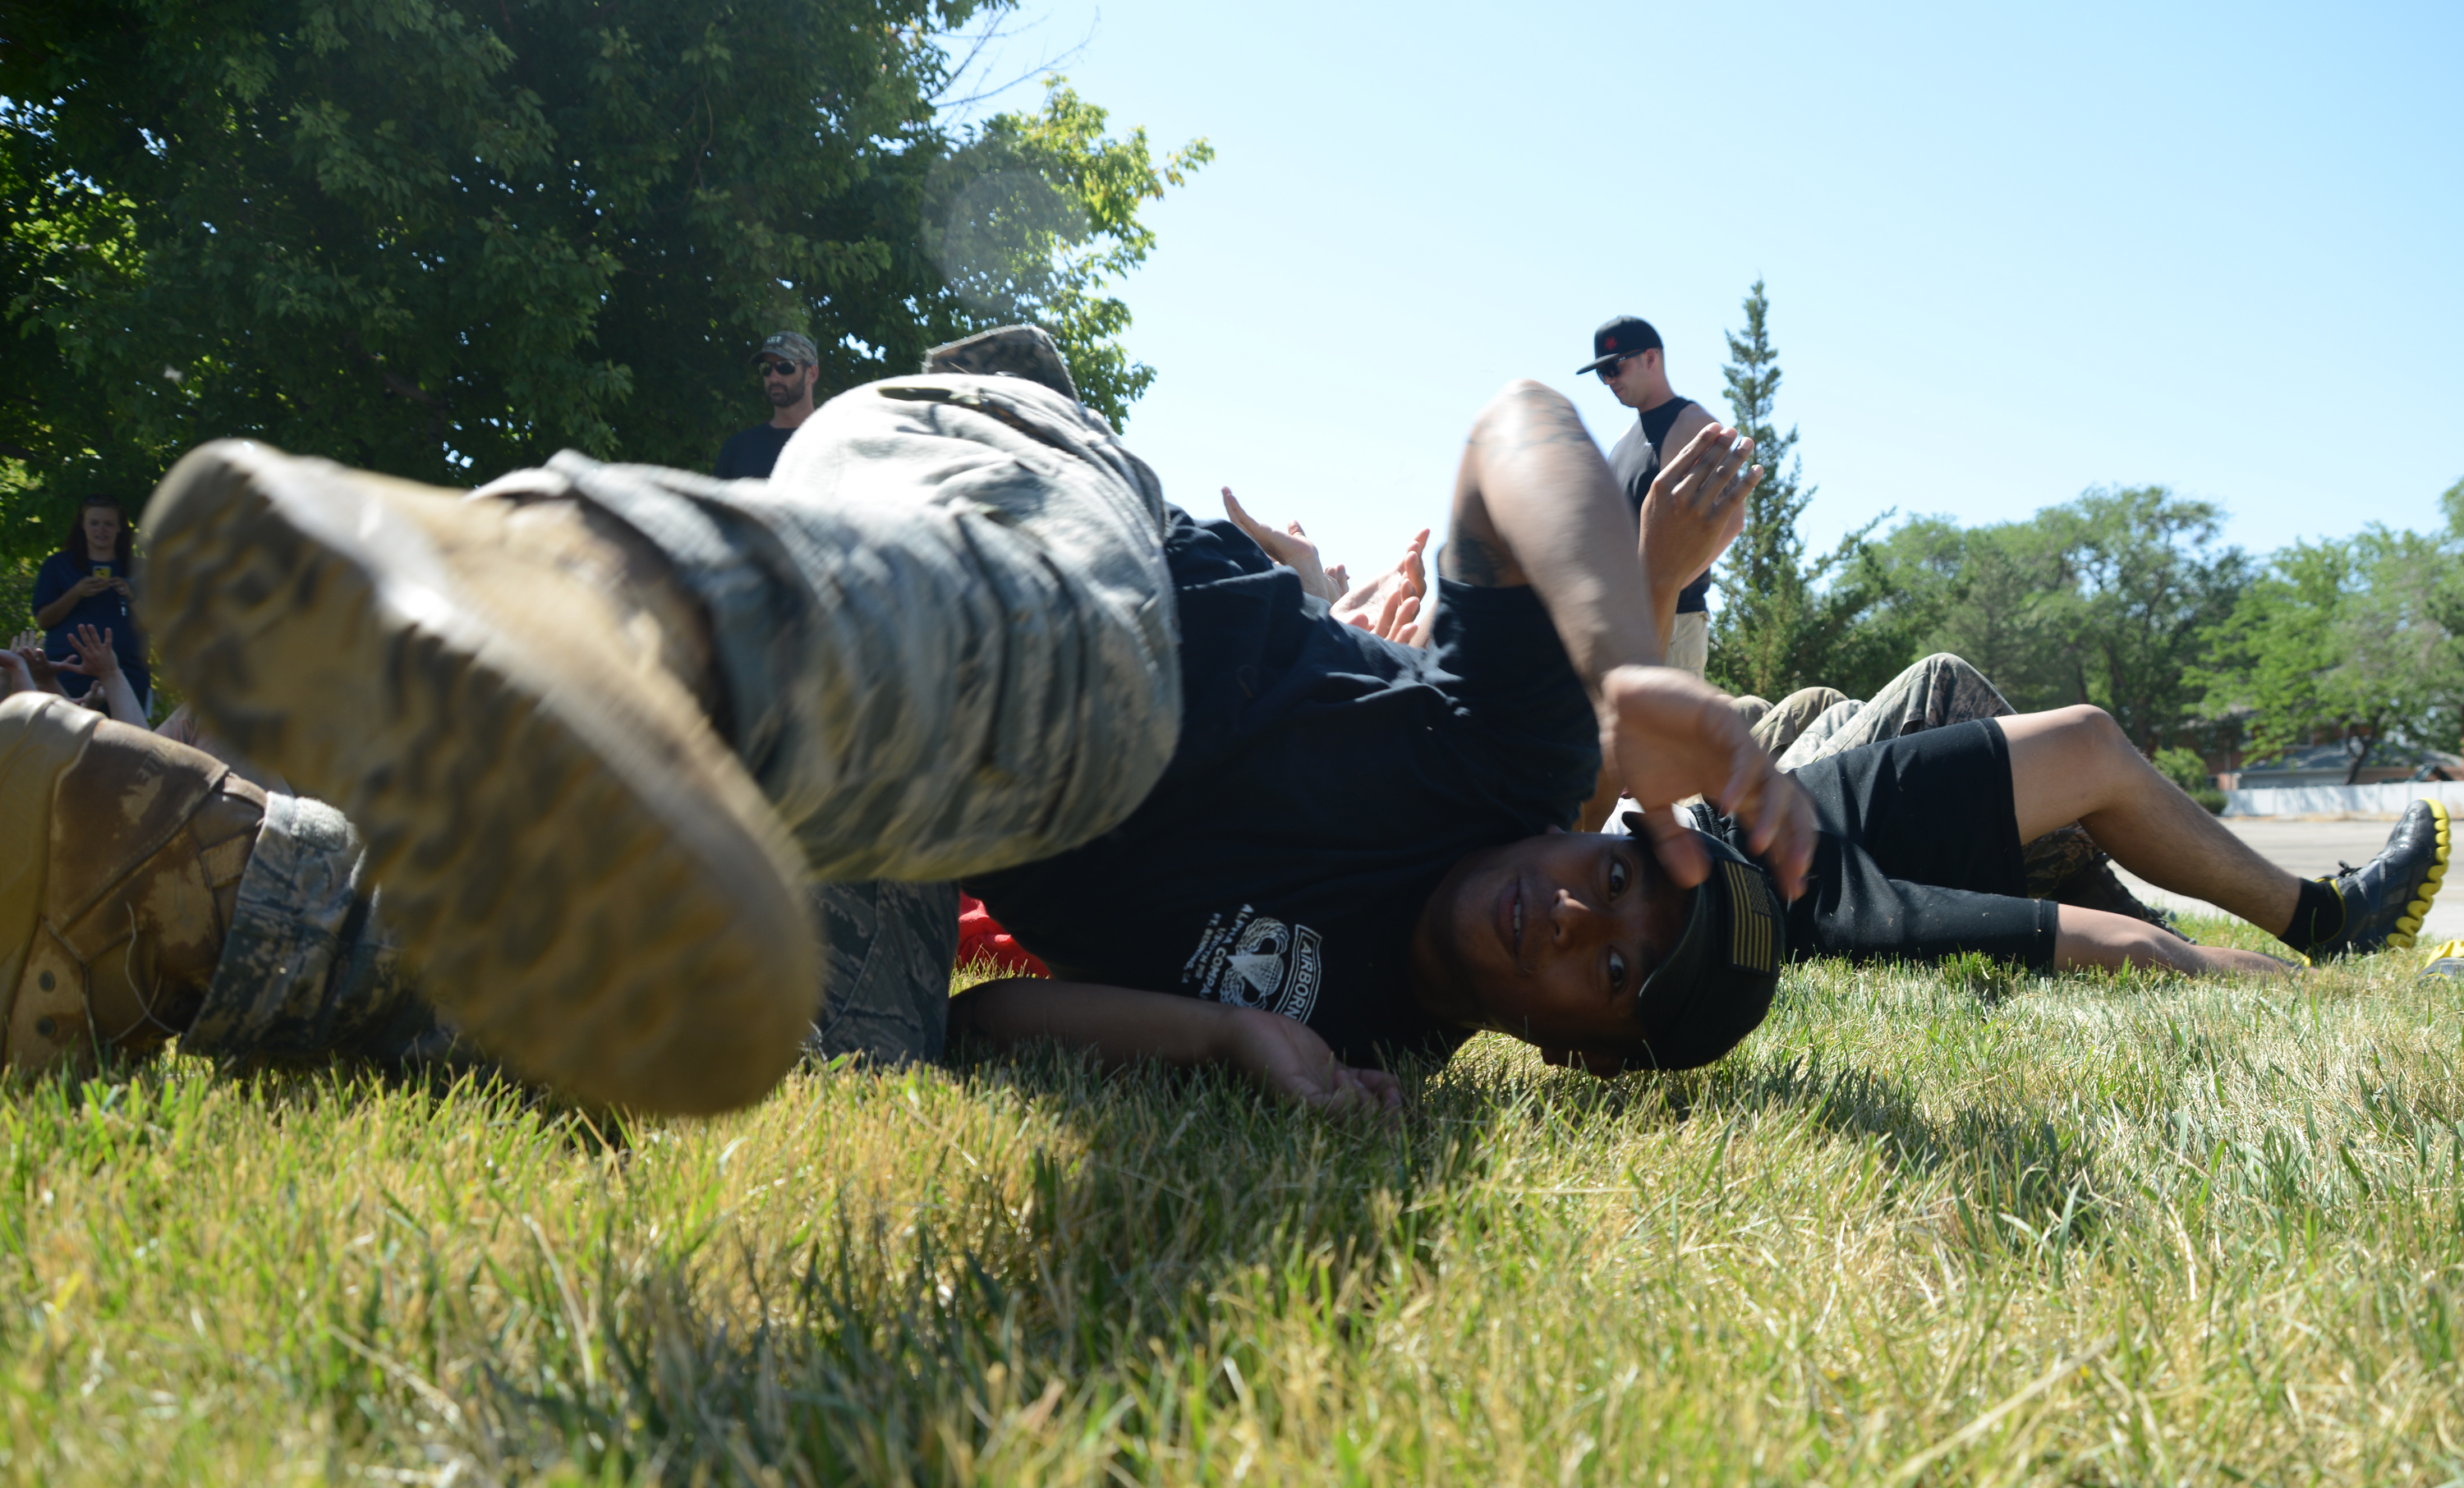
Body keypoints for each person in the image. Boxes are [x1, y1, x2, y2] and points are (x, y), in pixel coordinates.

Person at [2, 333, 2443, 1115]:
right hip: (1011, 521)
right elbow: (1512, 428)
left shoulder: (1370, 1039)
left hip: (881, 804)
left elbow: (985, 1009)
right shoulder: (1510, 761)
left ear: (1576, 1035)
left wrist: (1230, 1049)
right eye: (1628, 858)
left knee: (799, 1029)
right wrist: (1625, 657)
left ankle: (161, 877)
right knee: (1060, 704)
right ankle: (572, 589)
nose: (1586, 881)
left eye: (1612, 938)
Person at [1579, 316, 1724, 678]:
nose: (1609, 381)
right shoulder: (1625, 440)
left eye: (1614, 367)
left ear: (1650, 358)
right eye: (1601, 374)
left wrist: (1664, 590)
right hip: (1627, 626)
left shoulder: (1692, 425)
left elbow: (1730, 521)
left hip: (1674, 624)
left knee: (1666, 736)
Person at [30, 495, 149, 712]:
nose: (101, 530)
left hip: (128, 675)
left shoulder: (138, 568)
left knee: (125, 742)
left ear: (120, 528)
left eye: (109, 524)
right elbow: (43, 620)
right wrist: (76, 593)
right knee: (67, 742)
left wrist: (130, 596)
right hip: (69, 673)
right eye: (94, 523)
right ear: (82, 525)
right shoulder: (57, 565)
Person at [714, 332, 824, 480]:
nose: (773, 376)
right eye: (766, 367)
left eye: (785, 366)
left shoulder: (837, 444)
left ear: (811, 374)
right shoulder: (737, 448)